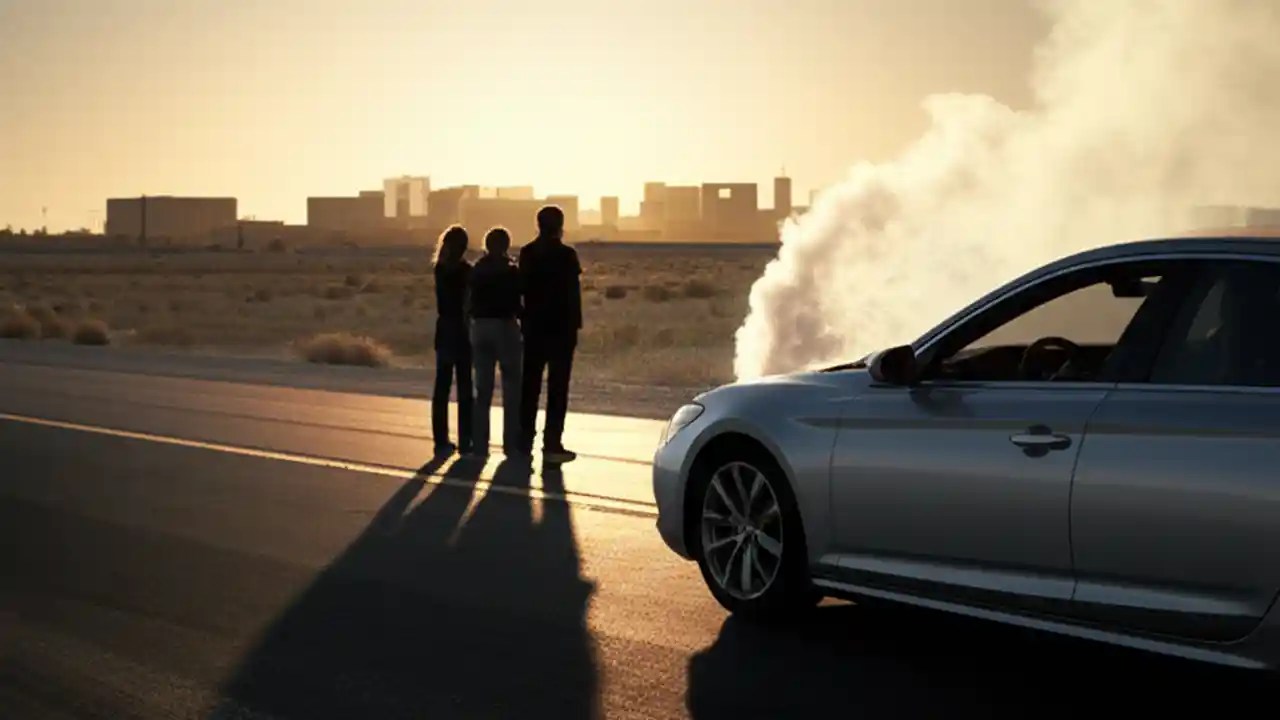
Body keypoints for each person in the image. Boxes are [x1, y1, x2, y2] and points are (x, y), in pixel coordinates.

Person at [518, 205, 582, 463]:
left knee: (530, 386)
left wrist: (524, 317)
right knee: (558, 388)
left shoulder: (528, 253)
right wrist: (575, 326)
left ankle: (524, 441)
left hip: (535, 328)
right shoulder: (567, 255)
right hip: (561, 330)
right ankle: (552, 443)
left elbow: (521, 288)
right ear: (560, 225)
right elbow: (572, 294)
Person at [468, 226, 523, 457]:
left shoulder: (477, 270)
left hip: (480, 328)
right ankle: (511, 444)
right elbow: (517, 301)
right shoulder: (511, 271)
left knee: (483, 389)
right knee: (511, 389)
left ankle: (479, 444)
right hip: (504, 327)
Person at [431, 224, 474, 455]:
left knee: (442, 387)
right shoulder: (466, 270)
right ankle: (466, 439)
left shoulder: (440, 268)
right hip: (462, 330)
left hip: (445, 329)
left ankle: (440, 440)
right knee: (465, 387)